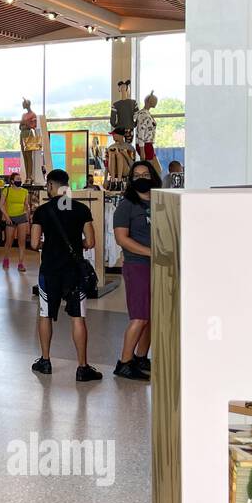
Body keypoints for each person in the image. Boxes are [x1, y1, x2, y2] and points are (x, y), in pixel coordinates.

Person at [29, 168, 101, 381]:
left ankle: (45, 360)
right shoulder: (80, 209)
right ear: (67, 185)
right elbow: (90, 242)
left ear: (51, 185)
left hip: (49, 270)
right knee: (78, 317)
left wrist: (50, 244)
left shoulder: (41, 211)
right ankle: (82, 367)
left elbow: (34, 243)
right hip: (74, 272)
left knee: (45, 314)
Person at [113, 160, 160, 381]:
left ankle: (141, 357)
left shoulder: (161, 201)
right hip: (137, 265)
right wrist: (151, 253)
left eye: (145, 174)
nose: (142, 178)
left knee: (151, 316)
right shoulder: (126, 206)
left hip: (159, 267)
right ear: (131, 180)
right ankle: (124, 362)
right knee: (139, 316)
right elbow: (121, 238)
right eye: (137, 175)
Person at [0, 172, 33, 272]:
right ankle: (6, 259)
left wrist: (28, 215)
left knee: (22, 242)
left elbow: (26, 205)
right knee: (9, 241)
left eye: (20, 179)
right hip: (10, 217)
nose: (19, 181)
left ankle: (21, 263)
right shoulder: (6, 190)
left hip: (22, 218)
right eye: (17, 179)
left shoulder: (25, 191)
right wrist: (7, 217)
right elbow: (1, 205)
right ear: (12, 181)